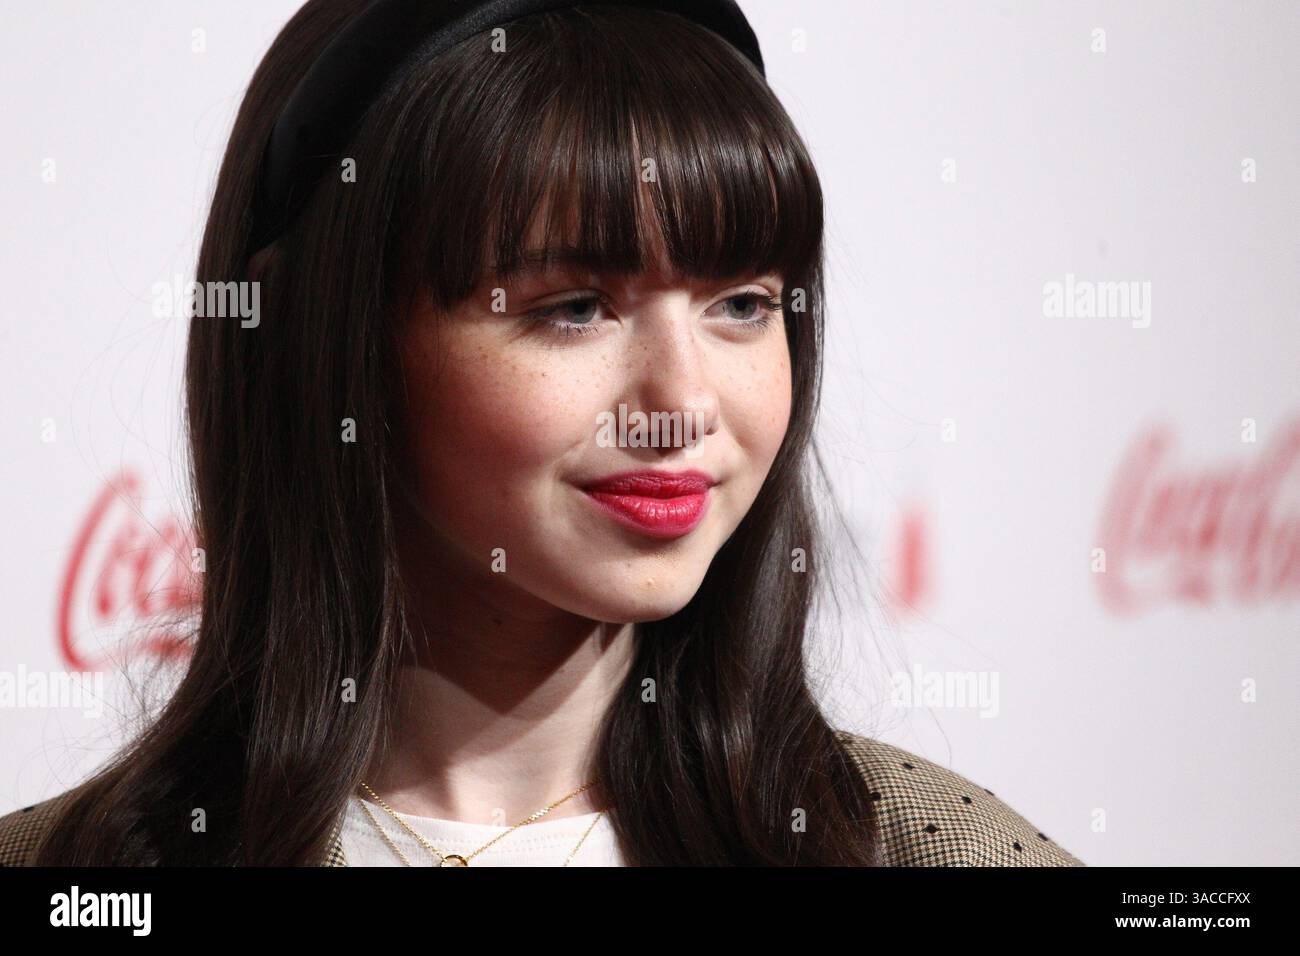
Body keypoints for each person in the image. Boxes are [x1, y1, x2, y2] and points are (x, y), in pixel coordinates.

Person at [0, 0, 1081, 867]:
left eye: (743, 303)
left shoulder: (938, 850)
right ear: (321, 339)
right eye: (573, 307)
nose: (682, 400)